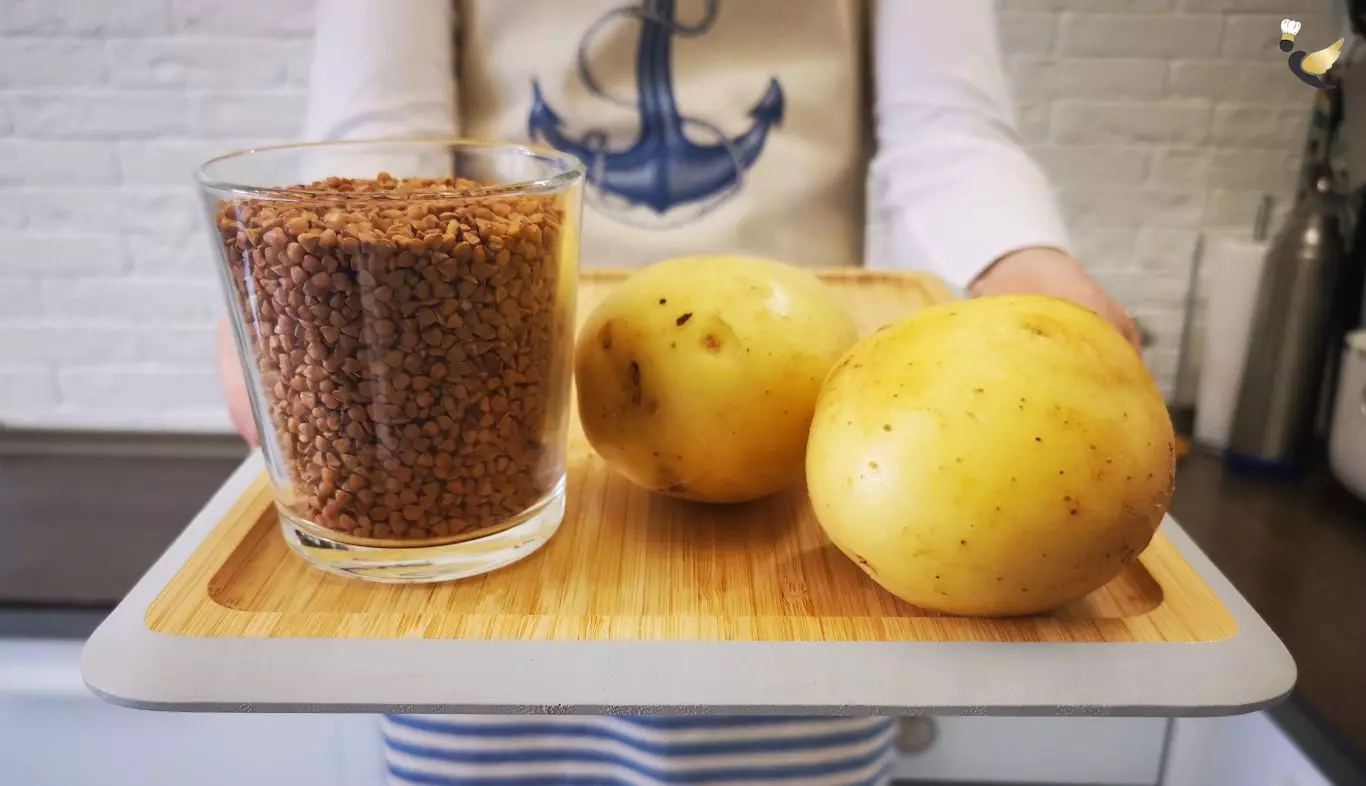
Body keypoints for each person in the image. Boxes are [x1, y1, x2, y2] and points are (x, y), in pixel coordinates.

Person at [216, 1, 1143, 783]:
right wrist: (307, 292)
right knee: (475, 731)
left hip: (813, 381)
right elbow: (379, 138)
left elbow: (950, 127)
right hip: (500, 372)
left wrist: (1029, 262)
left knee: (791, 748)